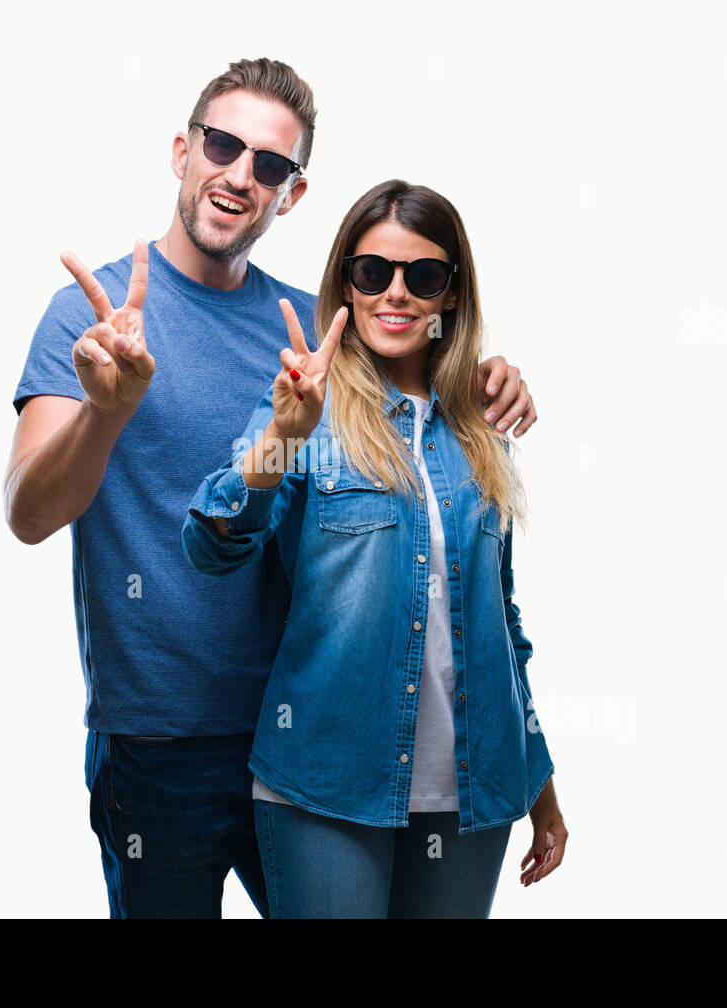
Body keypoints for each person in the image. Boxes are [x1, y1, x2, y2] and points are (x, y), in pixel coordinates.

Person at [6, 59, 541, 919]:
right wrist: (105, 411)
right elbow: (29, 515)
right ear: (183, 150)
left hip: (318, 735)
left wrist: (483, 377)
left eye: (270, 164)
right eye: (223, 145)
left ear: (291, 194)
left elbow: (419, 399)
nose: (239, 174)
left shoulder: (318, 326)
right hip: (158, 738)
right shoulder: (93, 316)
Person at [182, 179, 567, 918]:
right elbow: (214, 545)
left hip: (474, 795)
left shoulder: (482, 429)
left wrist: (541, 785)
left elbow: (502, 626)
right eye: (372, 273)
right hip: (326, 782)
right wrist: (280, 440)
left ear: (450, 294)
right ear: (347, 286)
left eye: (423, 276)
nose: (396, 294)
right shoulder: (305, 409)